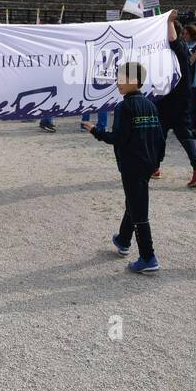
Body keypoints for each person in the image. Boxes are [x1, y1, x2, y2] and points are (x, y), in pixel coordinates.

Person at [83, 60, 166, 274]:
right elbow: (160, 138)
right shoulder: (151, 105)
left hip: (132, 164)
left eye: (121, 79)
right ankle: (123, 239)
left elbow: (117, 138)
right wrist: (157, 162)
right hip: (147, 164)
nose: (117, 83)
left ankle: (148, 257)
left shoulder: (124, 107)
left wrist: (95, 131)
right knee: (134, 200)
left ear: (134, 81)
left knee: (139, 210)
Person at [153, 13, 196, 188]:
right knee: (184, 134)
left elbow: (173, 39)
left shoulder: (176, 47)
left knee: (159, 134)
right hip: (182, 99)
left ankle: (154, 167)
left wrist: (168, 22)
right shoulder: (182, 48)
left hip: (169, 99)